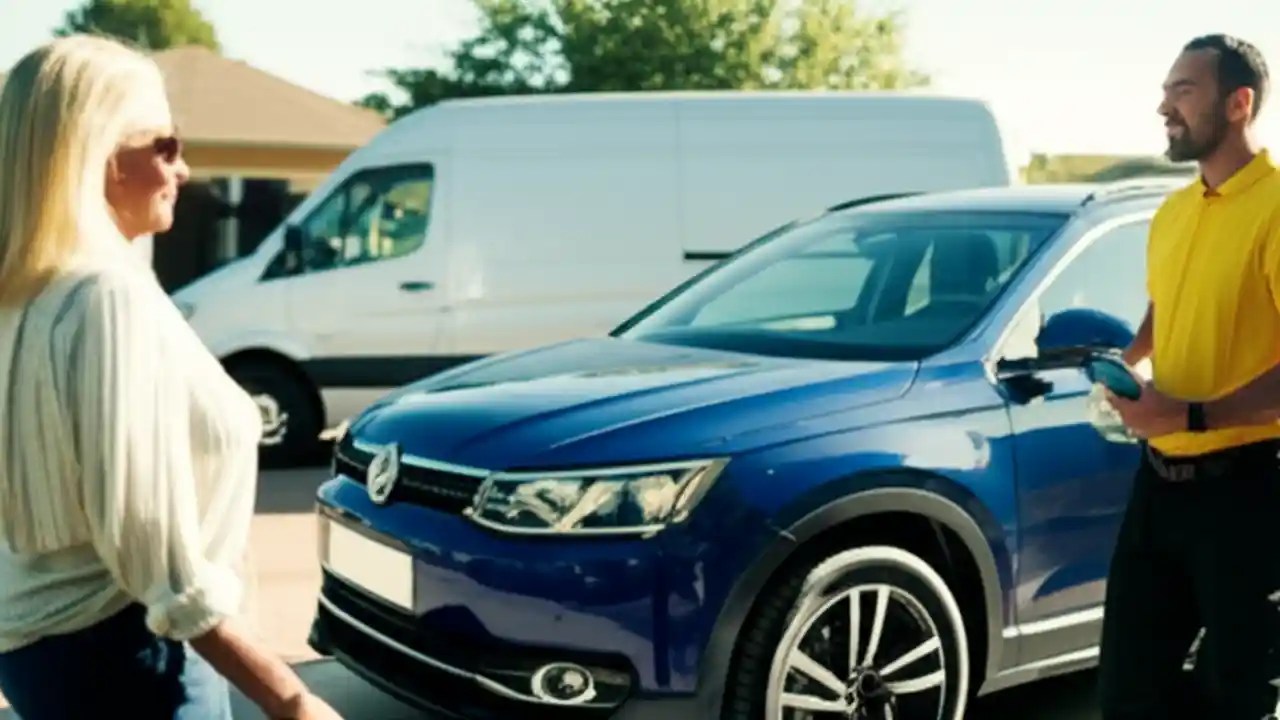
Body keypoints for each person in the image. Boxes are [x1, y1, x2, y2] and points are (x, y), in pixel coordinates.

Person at [0, 35, 341, 720]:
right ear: (95, 154)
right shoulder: (101, 298)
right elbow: (153, 553)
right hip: (132, 659)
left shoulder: (25, 294)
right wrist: (292, 698)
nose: (184, 169)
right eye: (165, 145)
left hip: (45, 651)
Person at [1100, 33, 1280, 719]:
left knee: (1237, 700)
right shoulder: (1174, 212)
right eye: (1166, 90)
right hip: (1157, 490)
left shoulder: (1276, 208)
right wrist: (1130, 356)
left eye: (1183, 91)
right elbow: (1168, 301)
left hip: (1252, 494)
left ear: (1239, 103)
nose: (1163, 107)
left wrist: (1190, 415)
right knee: (1128, 696)